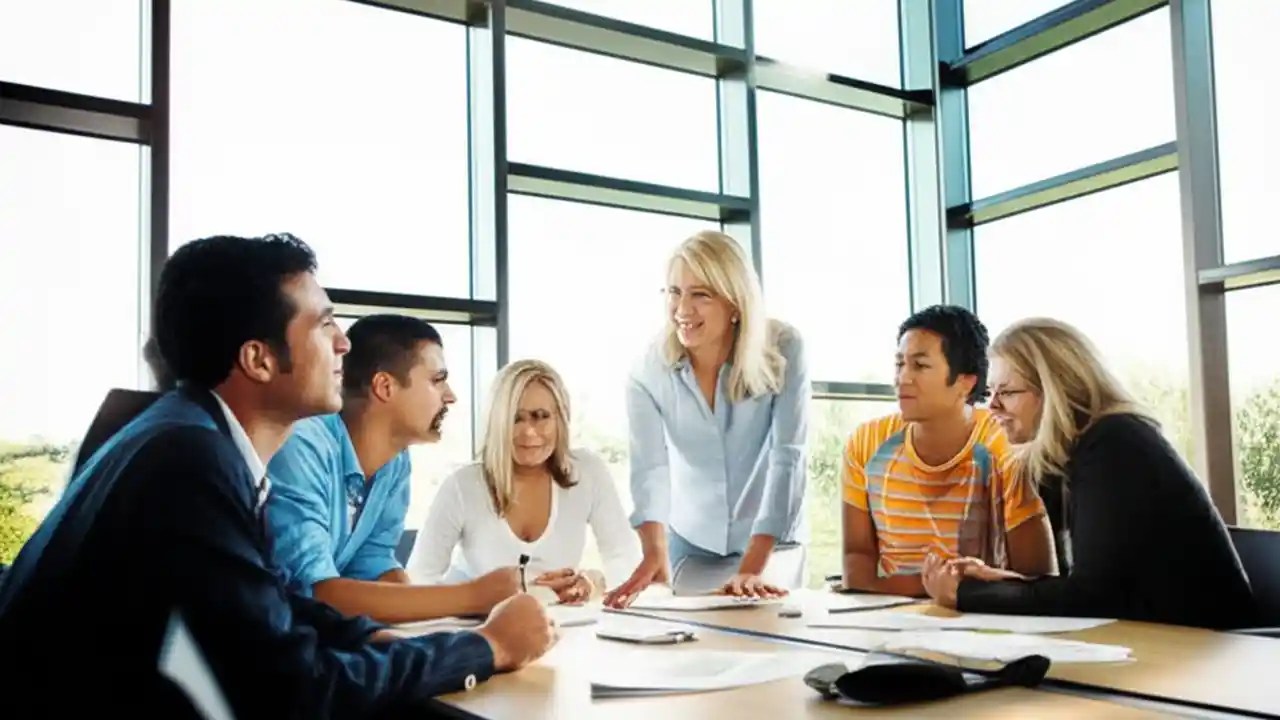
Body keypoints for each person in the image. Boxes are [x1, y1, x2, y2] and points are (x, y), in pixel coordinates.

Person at [0, 234, 555, 716]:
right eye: (325, 325)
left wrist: (374, 636)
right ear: (258, 360)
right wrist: (484, 649)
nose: (345, 343)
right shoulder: (190, 459)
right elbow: (292, 690)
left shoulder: (185, 433)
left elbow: (268, 602)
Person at [922, 317, 1256, 630]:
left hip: (1208, 651)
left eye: (1007, 392)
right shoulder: (1065, 457)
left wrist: (966, 595)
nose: (991, 407)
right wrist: (1002, 581)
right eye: (990, 393)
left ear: (1057, 390)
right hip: (1154, 641)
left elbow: (1094, 597)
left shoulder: (1116, 445)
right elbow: (1091, 587)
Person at [266, 314, 519, 624]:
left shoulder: (395, 461)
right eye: (437, 380)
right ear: (384, 386)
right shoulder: (302, 445)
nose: (450, 396)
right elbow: (315, 593)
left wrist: (423, 628)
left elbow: (372, 564)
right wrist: (473, 596)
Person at [604, 230, 810, 608]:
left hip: (771, 546)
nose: (683, 309)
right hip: (692, 547)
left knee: (768, 641)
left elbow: (788, 458)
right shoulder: (647, 371)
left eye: (700, 294)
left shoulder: (783, 348)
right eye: (674, 292)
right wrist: (654, 553)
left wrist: (753, 566)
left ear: (735, 302)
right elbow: (650, 469)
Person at [841, 305, 1055, 598]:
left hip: (985, 617)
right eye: (899, 364)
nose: (903, 378)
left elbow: (1036, 576)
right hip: (896, 617)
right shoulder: (867, 442)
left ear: (966, 382)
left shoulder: (1002, 442)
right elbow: (856, 565)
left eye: (920, 365)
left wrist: (958, 592)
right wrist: (943, 586)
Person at [408, 359, 641, 602]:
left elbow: (624, 559)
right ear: (497, 422)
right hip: (475, 629)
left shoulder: (588, 472)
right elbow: (418, 581)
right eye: (516, 419)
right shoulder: (461, 486)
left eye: (541, 416)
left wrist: (592, 583)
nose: (529, 432)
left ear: (560, 420)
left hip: (555, 627)